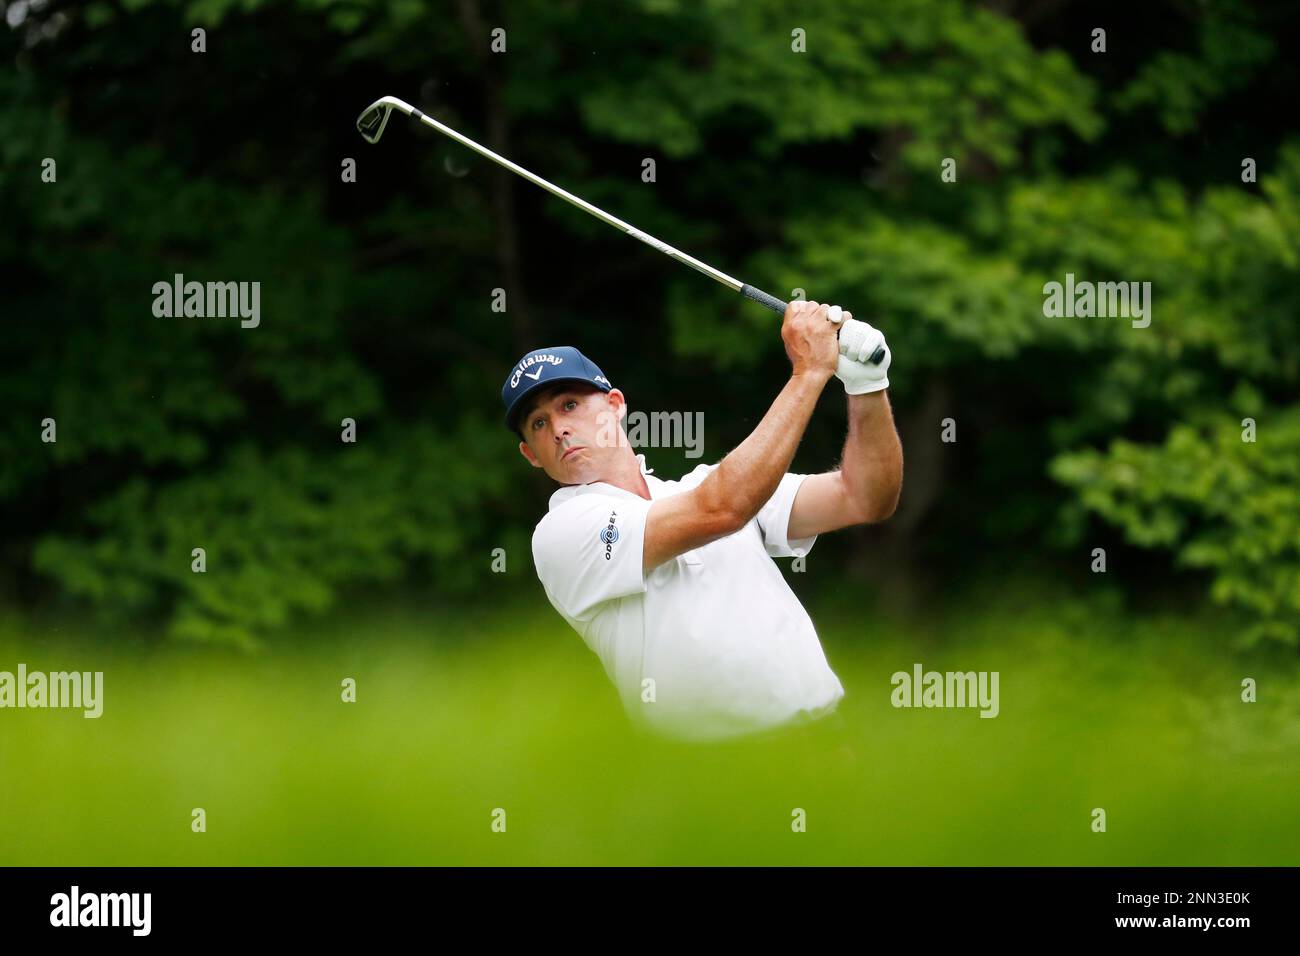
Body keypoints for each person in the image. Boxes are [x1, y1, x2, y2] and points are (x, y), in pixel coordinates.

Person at [501, 301, 903, 742]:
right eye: (539, 423)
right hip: (713, 770)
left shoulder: (702, 484)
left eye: (570, 404)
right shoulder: (563, 531)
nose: (559, 428)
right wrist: (808, 374)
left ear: (615, 405)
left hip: (825, 739)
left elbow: (864, 497)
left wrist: (867, 387)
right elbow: (722, 509)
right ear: (530, 454)